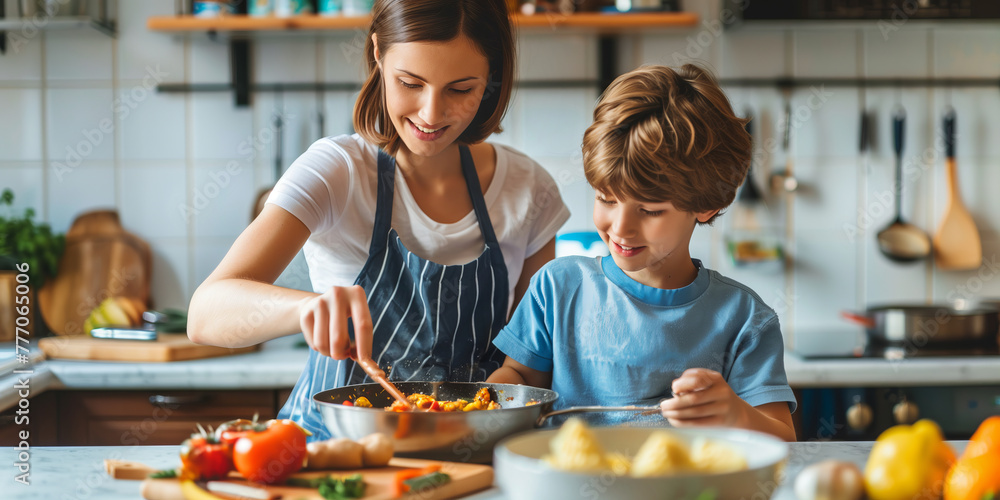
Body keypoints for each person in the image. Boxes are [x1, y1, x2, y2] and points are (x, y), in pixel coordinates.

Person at [188, 0, 570, 440]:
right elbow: (205, 314)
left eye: (460, 89)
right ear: (377, 54)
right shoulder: (336, 171)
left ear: (491, 80)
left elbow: (533, 363)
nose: (430, 113)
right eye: (410, 82)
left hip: (467, 454)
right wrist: (306, 308)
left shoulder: (529, 190)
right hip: (331, 451)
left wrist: (504, 396)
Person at [487, 64, 797, 441]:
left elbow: (784, 439)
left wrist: (734, 413)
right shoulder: (557, 287)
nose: (620, 228)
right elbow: (518, 378)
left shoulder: (745, 319)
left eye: (649, 211)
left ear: (707, 204)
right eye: (606, 199)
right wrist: (497, 399)